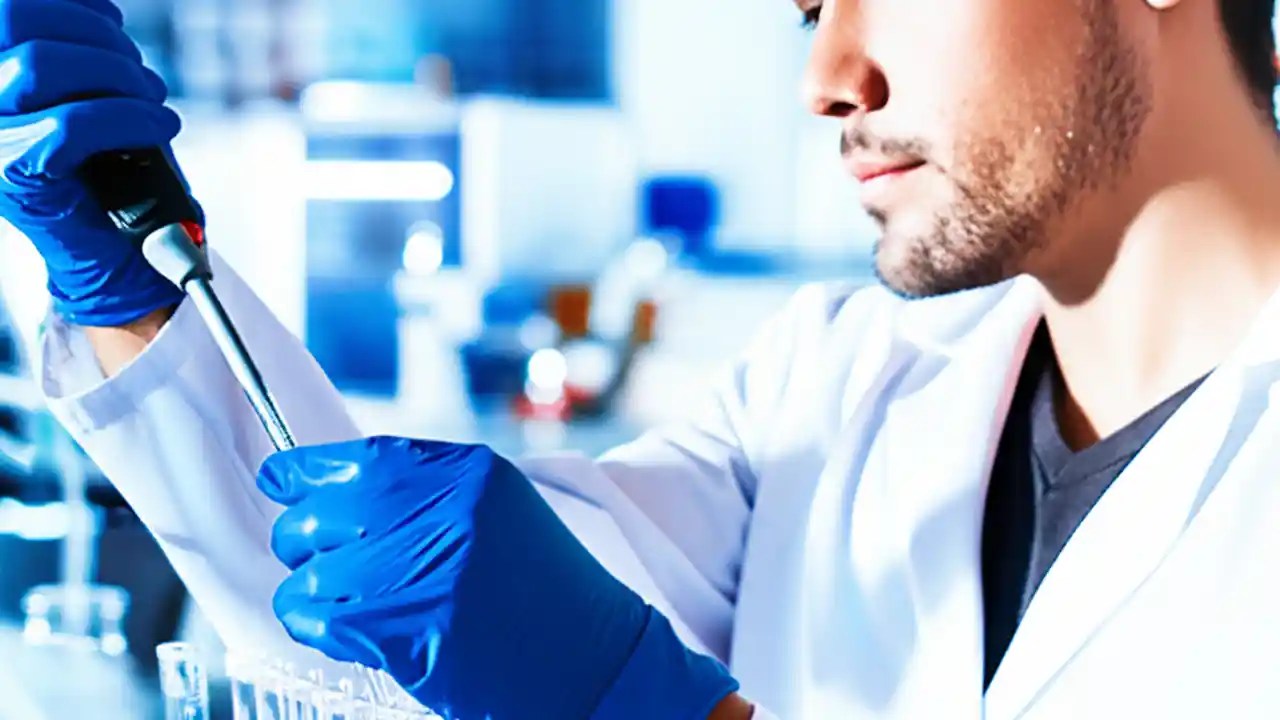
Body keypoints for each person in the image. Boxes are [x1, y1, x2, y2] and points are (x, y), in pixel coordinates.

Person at [1, 0, 1279, 716]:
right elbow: (380, 637)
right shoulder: (841, 384)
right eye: (809, 5)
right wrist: (131, 280)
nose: (824, 76)